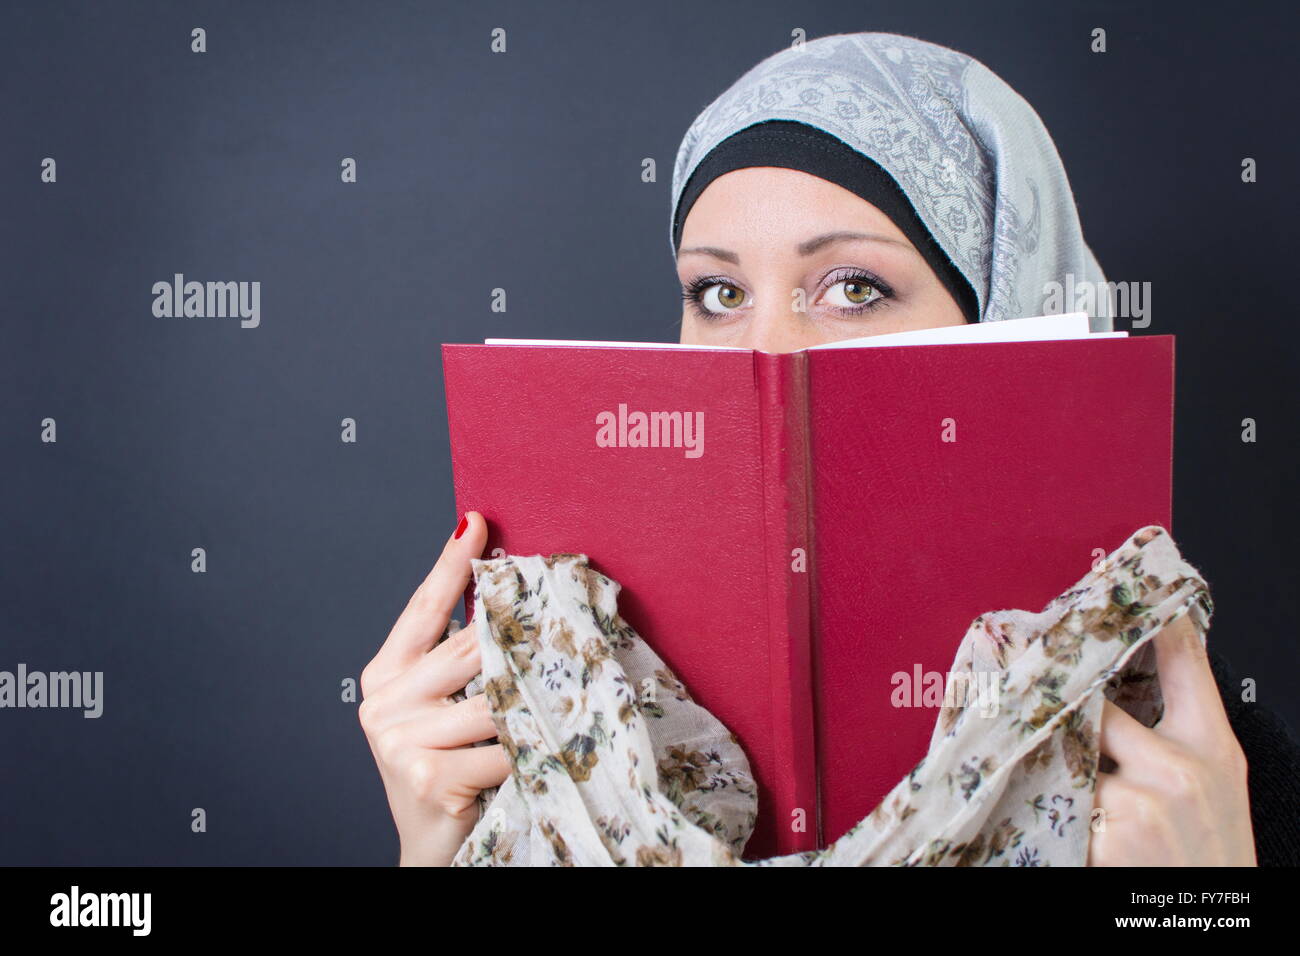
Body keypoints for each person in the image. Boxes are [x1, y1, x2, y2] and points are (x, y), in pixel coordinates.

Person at [359, 32, 1300, 866]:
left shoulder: (1204, 782)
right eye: (718, 294)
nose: (770, 352)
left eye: (853, 287)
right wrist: (435, 848)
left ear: (1010, 319)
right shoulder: (549, 723)